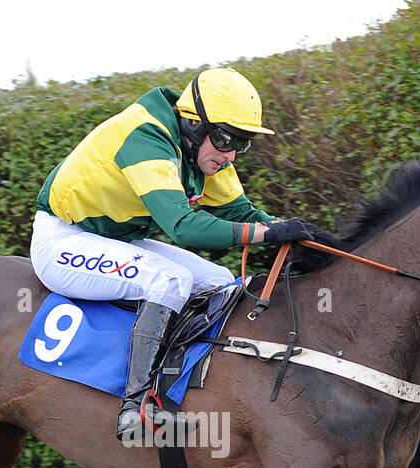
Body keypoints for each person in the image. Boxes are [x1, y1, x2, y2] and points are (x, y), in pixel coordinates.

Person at [30, 66, 320, 440]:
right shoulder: (146, 136)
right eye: (227, 139)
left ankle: (177, 390)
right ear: (195, 124)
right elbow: (181, 226)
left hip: (116, 240)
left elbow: (243, 214)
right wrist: (267, 232)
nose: (231, 154)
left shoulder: (206, 151)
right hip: (62, 241)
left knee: (220, 282)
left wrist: (296, 232)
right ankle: (134, 410)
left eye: (242, 143)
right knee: (170, 279)